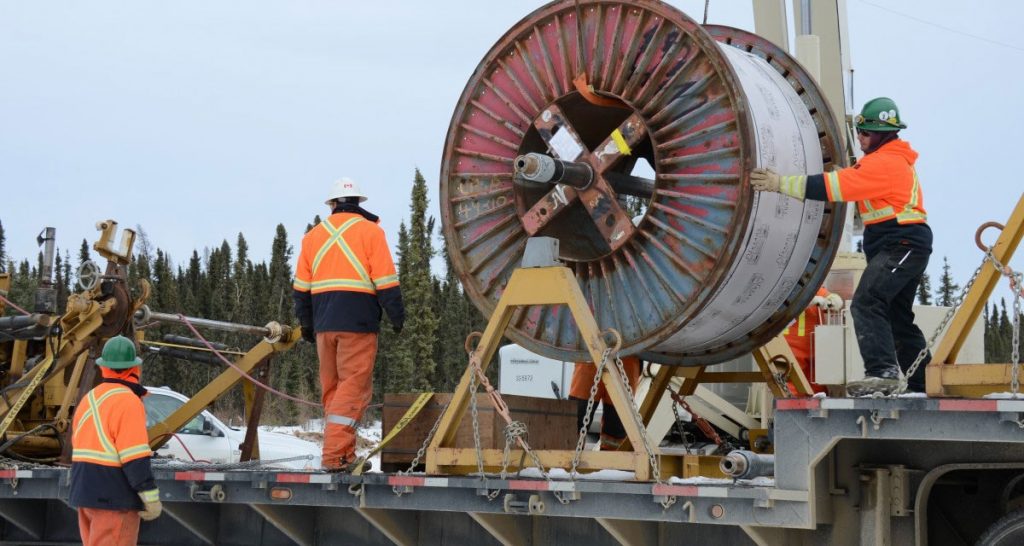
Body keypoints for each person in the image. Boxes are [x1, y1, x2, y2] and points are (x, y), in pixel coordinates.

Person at [750, 97, 931, 396]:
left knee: (867, 302)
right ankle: (921, 383)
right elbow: (857, 188)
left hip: (901, 242)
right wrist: (848, 174)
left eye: (865, 133)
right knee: (897, 317)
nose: (859, 138)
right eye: (859, 131)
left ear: (884, 134)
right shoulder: (886, 161)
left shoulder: (885, 163)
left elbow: (834, 189)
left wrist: (779, 183)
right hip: (899, 242)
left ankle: (882, 374)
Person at [293, 178, 404, 471]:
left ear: (332, 205)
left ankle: (343, 453)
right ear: (358, 203)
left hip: (323, 324)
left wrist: (306, 323)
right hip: (357, 322)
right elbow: (386, 280)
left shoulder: (313, 236)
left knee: (333, 390)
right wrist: (397, 315)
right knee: (353, 388)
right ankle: (337, 457)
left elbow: (301, 288)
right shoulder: (370, 232)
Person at [69, 335, 162, 546]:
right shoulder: (128, 401)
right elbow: (135, 457)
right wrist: (150, 497)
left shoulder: (89, 398)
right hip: (114, 499)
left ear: (104, 368)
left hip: (86, 494)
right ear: (134, 369)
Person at [568, 356, 641, 450]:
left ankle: (611, 461)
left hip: (627, 359)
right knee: (575, 422)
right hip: (591, 356)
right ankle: (569, 459)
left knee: (616, 427)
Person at [783, 287, 843, 396]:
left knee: (816, 383)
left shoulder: (811, 285)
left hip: (815, 347)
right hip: (790, 347)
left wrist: (833, 300)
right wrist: (811, 301)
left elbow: (829, 297)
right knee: (792, 381)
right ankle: (793, 410)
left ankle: (817, 410)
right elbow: (784, 303)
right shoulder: (784, 287)